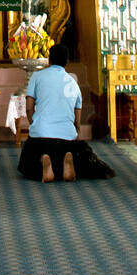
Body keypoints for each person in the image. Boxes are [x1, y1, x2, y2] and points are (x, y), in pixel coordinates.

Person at [17, 44, 115, 182]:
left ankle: (44, 167)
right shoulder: (73, 82)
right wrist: (75, 133)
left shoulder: (37, 76)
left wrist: (35, 123)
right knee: (80, 153)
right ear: (67, 62)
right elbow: (77, 119)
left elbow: (29, 107)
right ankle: (68, 165)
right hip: (67, 139)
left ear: (49, 60)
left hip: (41, 137)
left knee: (28, 160)